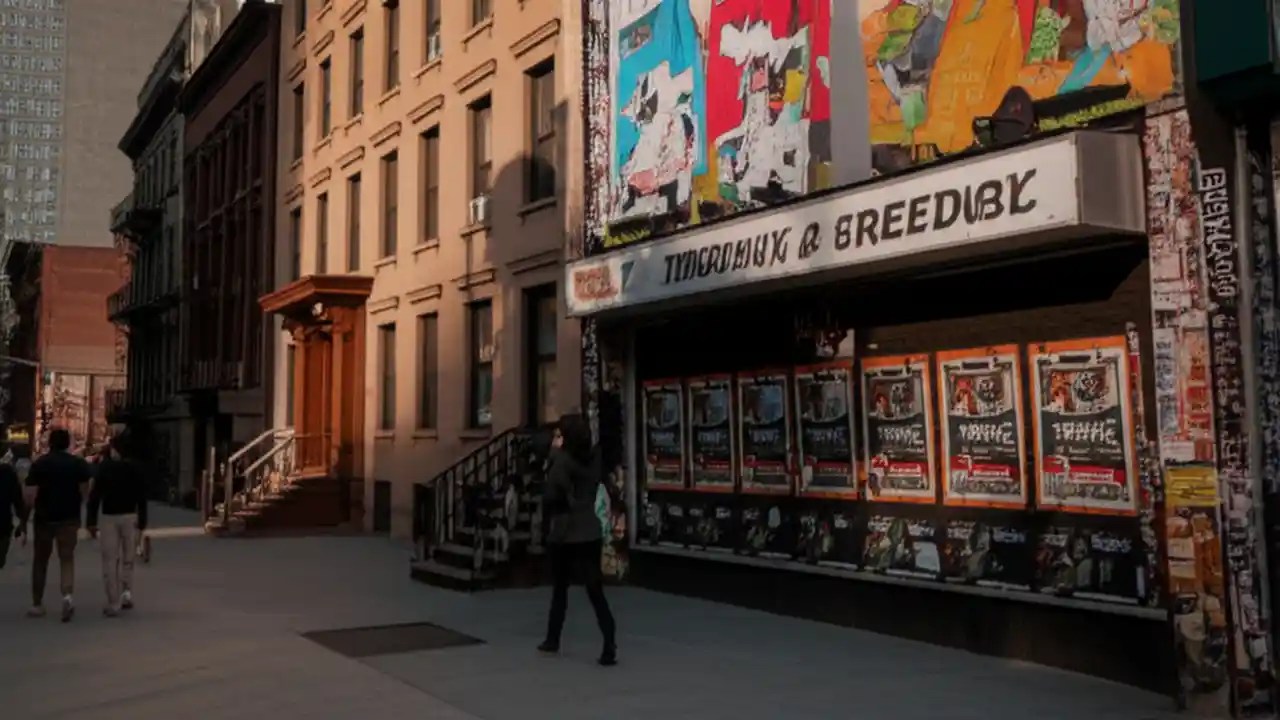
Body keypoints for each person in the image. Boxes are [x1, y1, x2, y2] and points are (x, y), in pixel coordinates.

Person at [538, 414, 618, 666]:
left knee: (560, 588)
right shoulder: (594, 460)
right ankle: (609, 643)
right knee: (595, 590)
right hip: (590, 529)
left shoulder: (561, 462)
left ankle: (553, 638)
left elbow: (552, 495)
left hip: (566, 532)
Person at [25, 428, 92, 622]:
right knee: (67, 559)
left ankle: (37, 604)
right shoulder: (78, 464)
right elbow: (84, 492)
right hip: (69, 518)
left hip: (44, 518)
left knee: (40, 561)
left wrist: (23, 520)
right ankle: (67, 596)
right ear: (68, 444)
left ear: (50, 443)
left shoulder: (40, 464)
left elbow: (30, 496)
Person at [87, 435, 148, 617]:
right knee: (128, 557)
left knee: (109, 560)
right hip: (130, 516)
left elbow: (95, 496)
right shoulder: (135, 468)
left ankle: (113, 602)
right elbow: (141, 496)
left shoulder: (104, 468)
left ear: (115, 449)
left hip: (109, 517)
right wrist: (143, 521)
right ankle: (127, 593)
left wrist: (91, 521)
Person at [0, 450, 27, 570]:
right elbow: (17, 498)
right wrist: (22, 521)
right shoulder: (7, 472)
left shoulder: (8, 472)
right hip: (3, 524)